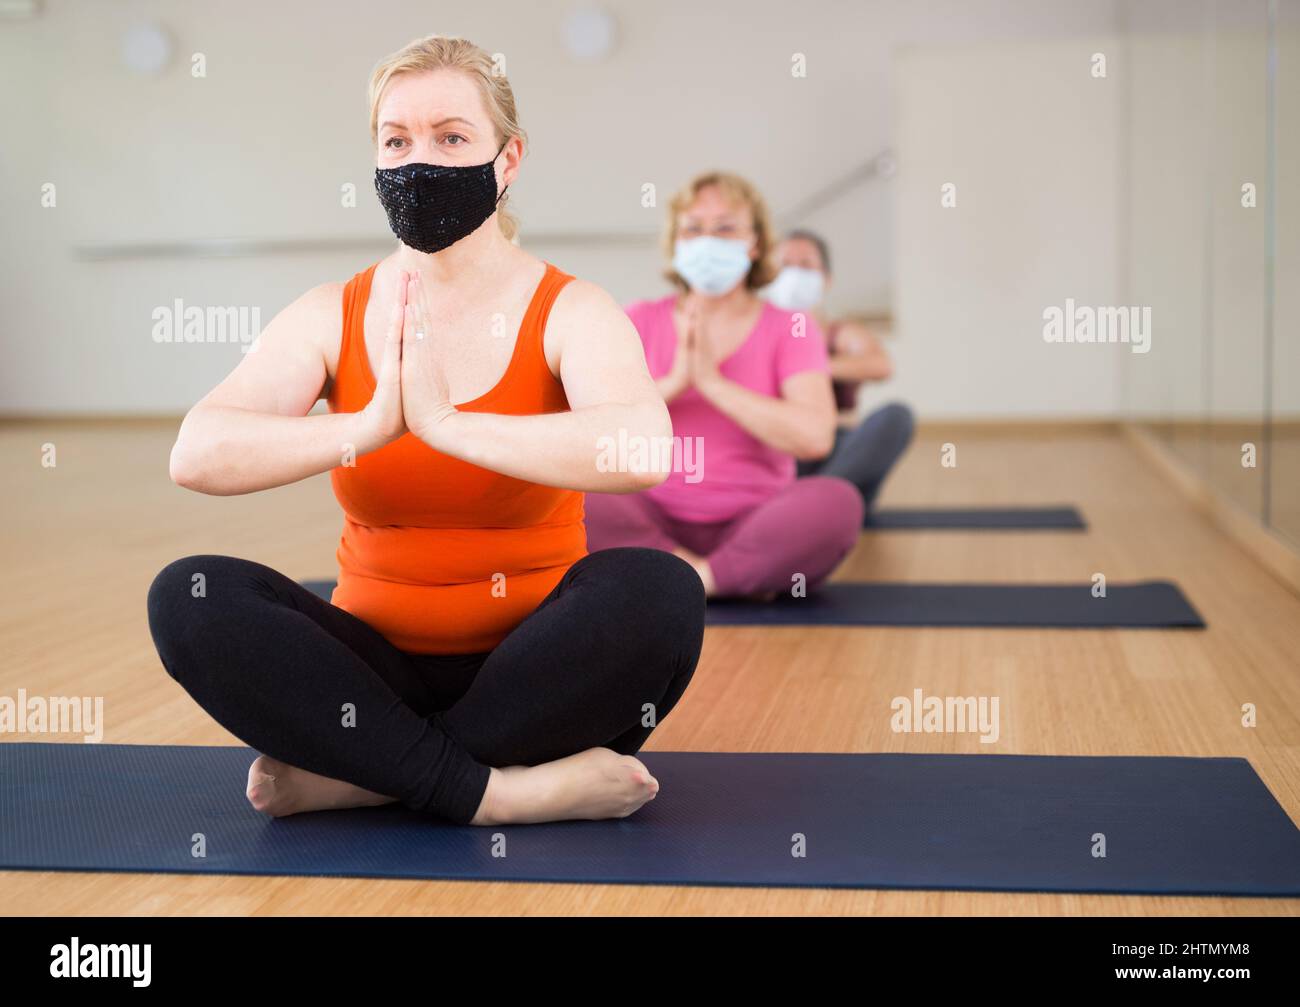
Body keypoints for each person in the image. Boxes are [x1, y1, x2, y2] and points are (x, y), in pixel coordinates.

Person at [145, 34, 705, 829]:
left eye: (451, 138)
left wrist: (449, 424)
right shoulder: (329, 312)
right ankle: (499, 792)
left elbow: (643, 448)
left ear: (506, 161)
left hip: (538, 672)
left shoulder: (573, 310)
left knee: (660, 590)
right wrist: (368, 425)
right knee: (190, 595)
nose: (420, 162)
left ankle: (370, 778)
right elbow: (197, 452)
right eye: (396, 140)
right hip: (373, 679)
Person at [584, 172, 864, 599]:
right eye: (693, 228)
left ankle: (688, 579)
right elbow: (593, 432)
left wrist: (715, 385)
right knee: (565, 489)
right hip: (650, 518)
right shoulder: (638, 318)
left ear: (754, 244)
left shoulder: (790, 326)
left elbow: (814, 438)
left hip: (755, 522)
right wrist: (677, 382)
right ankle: (724, 577)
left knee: (837, 503)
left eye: (725, 227)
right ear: (676, 244)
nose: (707, 241)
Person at [768, 229, 914, 511]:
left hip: (838, 453)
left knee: (897, 417)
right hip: (784, 452)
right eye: (785, 266)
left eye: (806, 265)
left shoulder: (841, 333)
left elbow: (881, 365)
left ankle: (811, 504)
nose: (793, 275)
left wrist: (807, 366)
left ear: (826, 279)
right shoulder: (758, 332)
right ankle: (808, 506)